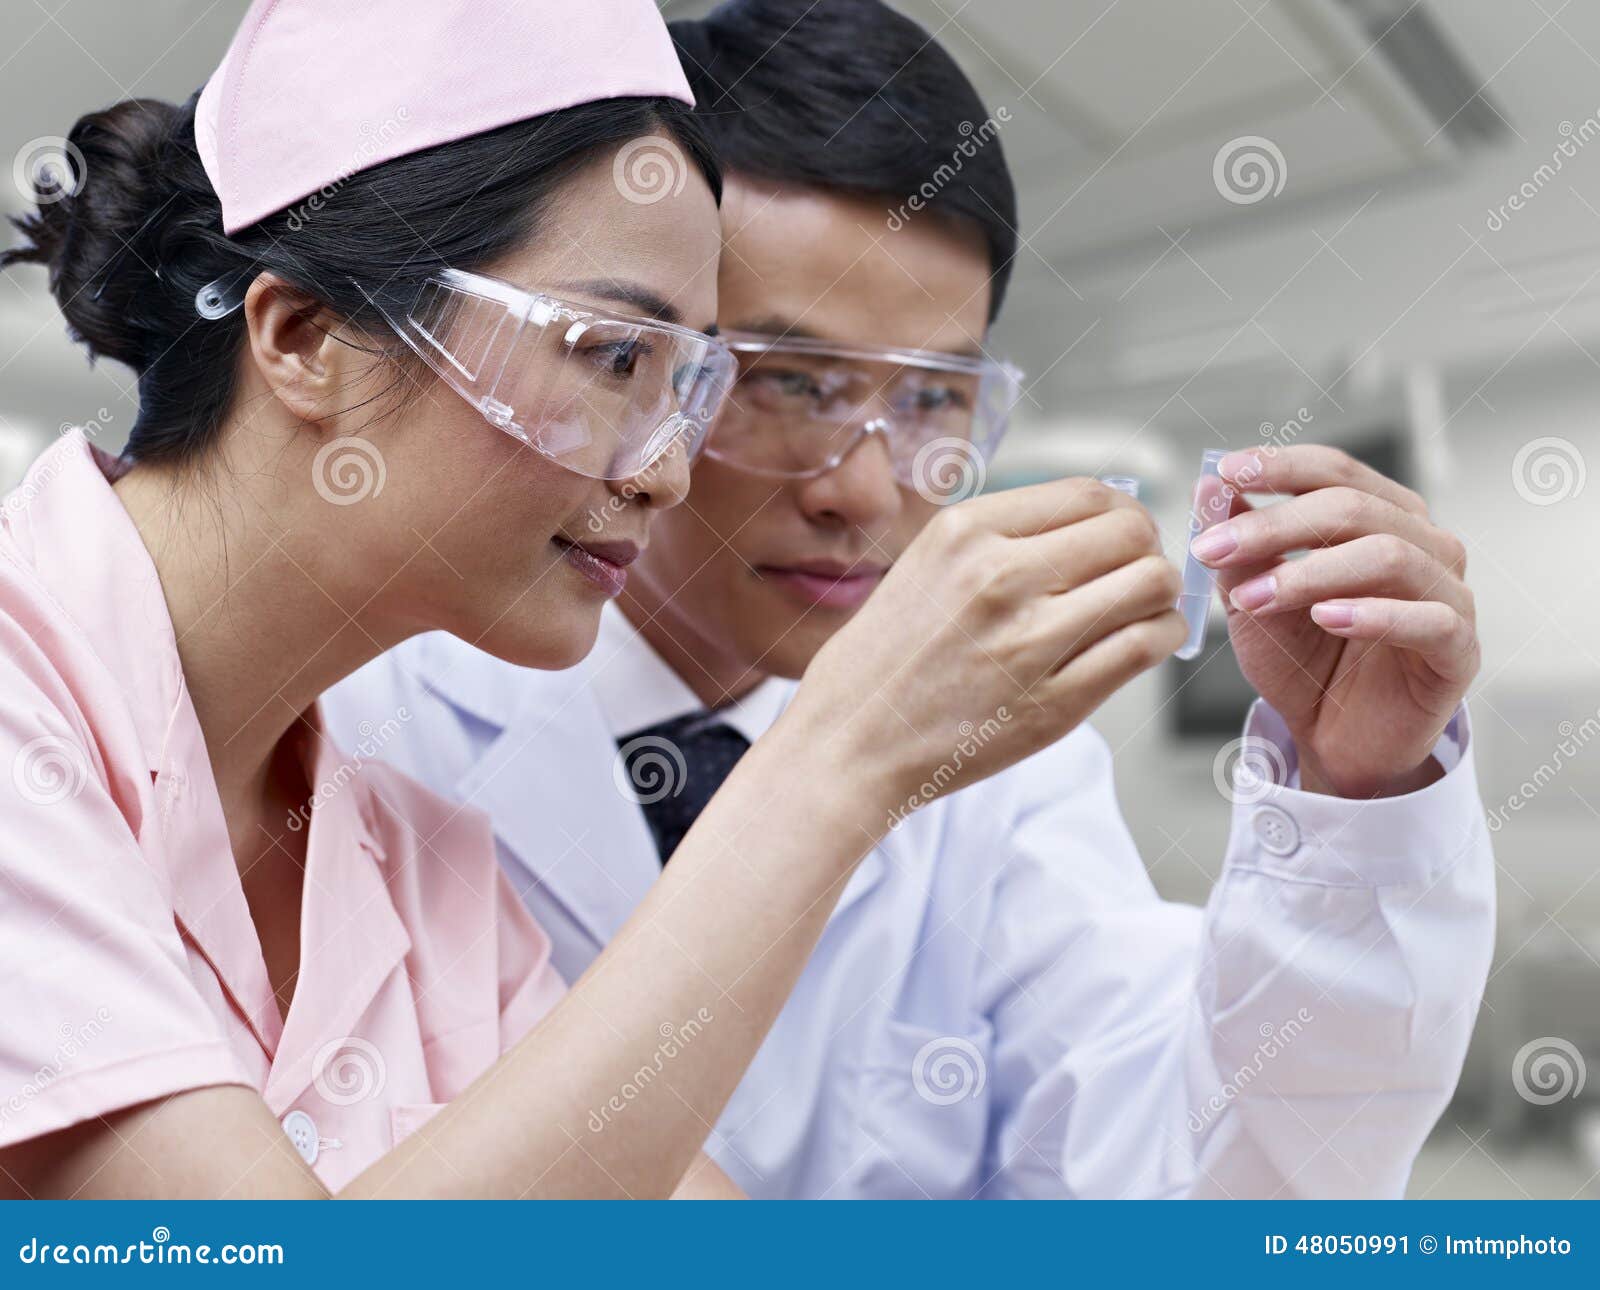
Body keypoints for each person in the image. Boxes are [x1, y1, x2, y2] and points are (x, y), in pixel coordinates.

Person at [0, 0, 1188, 1200]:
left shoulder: (412, 862)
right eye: (616, 358)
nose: (664, 472)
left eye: (693, 383)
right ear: (307, 337)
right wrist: (837, 765)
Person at [326, 0, 1496, 1200]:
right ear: (638, 361)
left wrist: (1360, 798)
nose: (865, 488)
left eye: (933, 401)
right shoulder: (367, 724)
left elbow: (1201, 1196)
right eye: (789, 384)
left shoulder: (1009, 769)